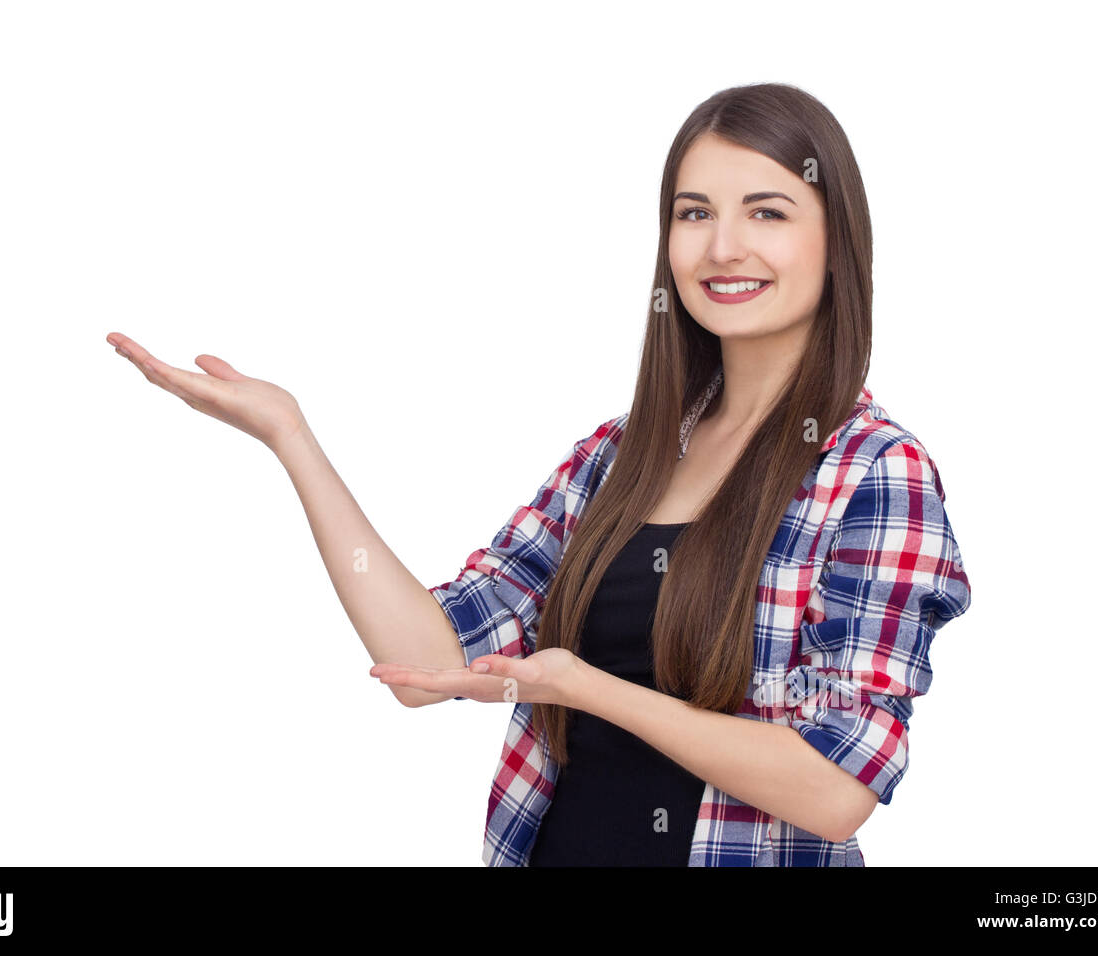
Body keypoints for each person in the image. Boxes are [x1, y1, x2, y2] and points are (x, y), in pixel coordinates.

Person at [106, 82, 972, 867]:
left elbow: (835, 786)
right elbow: (426, 659)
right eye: (694, 212)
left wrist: (585, 688)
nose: (724, 247)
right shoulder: (621, 455)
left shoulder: (873, 473)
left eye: (769, 213)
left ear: (836, 242)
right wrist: (291, 437)